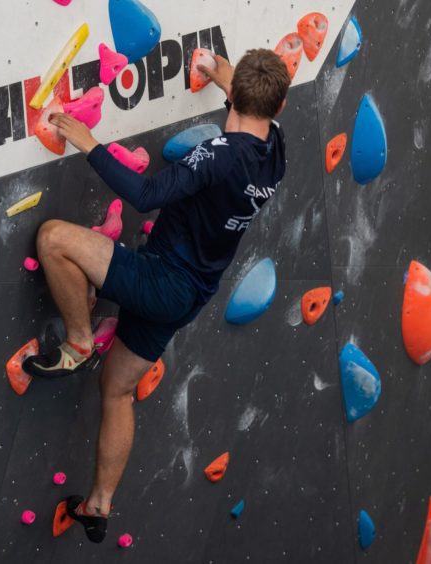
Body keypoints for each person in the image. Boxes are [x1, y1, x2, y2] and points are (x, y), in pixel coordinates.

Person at [23, 48, 290, 543]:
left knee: (54, 239)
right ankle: (98, 505)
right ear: (278, 105)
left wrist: (87, 141)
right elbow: (252, 96)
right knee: (118, 390)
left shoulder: (215, 157)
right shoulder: (274, 150)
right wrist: (214, 69)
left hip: (161, 278)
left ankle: (80, 343)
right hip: (192, 293)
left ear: (238, 97)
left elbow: (145, 197)